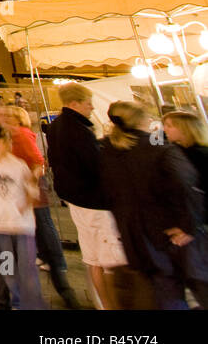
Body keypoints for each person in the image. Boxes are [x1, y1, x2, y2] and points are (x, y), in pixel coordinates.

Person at [98, 101, 205, 309]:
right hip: (173, 231)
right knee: (200, 283)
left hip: (137, 238)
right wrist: (190, 225)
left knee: (166, 293)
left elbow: (100, 192)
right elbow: (187, 184)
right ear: (142, 120)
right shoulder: (158, 147)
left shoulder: (105, 151)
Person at [47, 83, 125, 310]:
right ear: (74, 103)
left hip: (75, 198)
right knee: (110, 261)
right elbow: (95, 166)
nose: (92, 107)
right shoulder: (78, 130)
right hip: (94, 201)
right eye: (88, 102)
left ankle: (102, 304)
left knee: (92, 258)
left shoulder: (55, 126)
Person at [4, 105, 81, 309]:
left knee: (43, 229)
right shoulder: (15, 135)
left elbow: (38, 161)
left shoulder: (20, 135)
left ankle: (57, 272)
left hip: (29, 193)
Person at [0, 125, 46, 310]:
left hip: (22, 224)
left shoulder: (18, 164)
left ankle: (30, 304)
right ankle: (17, 301)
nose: (10, 144)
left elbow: (31, 190)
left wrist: (25, 203)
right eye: (6, 140)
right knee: (7, 266)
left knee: (27, 266)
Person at [163, 110, 208, 307]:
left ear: (184, 128)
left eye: (170, 125)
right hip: (189, 225)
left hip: (197, 226)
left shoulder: (197, 156)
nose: (165, 129)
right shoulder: (173, 153)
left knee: (199, 277)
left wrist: (192, 225)